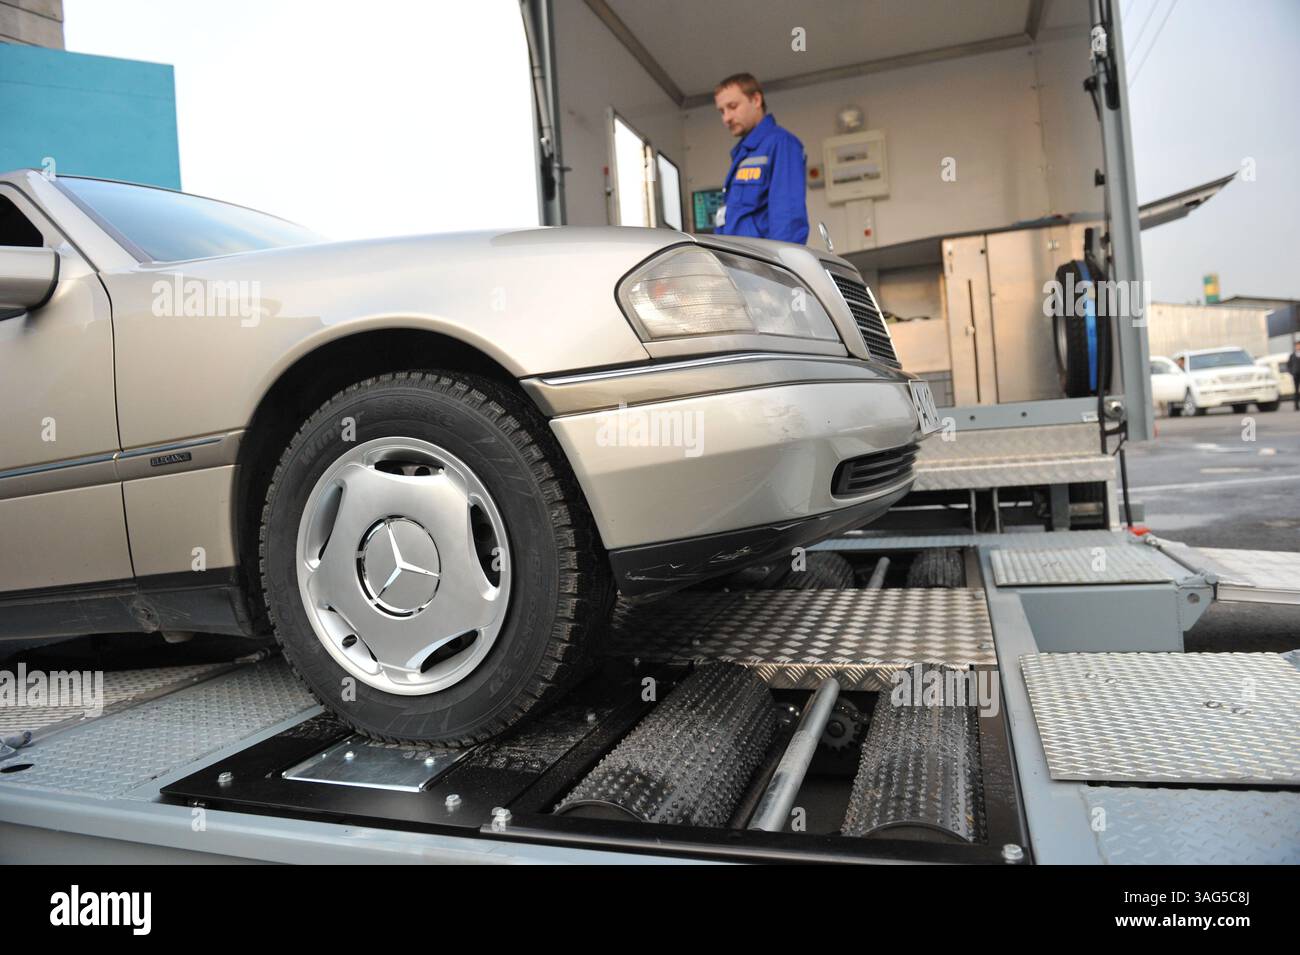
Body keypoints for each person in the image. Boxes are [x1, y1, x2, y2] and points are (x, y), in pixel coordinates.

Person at [713, 72, 809, 244]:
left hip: (761, 265)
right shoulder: (744, 154)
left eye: (733, 106)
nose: (726, 118)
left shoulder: (781, 144)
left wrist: (782, 266)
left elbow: (788, 218)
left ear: (756, 100)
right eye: (722, 111)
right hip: (739, 262)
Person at [1287, 340, 1300, 410]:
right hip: (1296, 374)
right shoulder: (1292, 355)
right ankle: (1296, 406)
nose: (1298, 347)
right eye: (1297, 345)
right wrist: (1291, 372)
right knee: (1296, 390)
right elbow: (1288, 365)